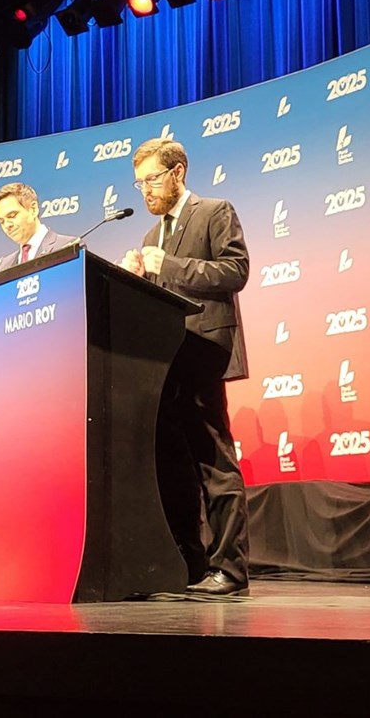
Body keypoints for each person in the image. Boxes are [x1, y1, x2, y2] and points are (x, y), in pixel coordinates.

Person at [121, 137, 251, 597]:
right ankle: (190, 564)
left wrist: (169, 265)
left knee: (213, 461)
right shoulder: (149, 236)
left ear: (177, 173)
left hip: (204, 352)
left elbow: (235, 271)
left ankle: (231, 571)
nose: (145, 192)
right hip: (164, 363)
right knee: (173, 466)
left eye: (152, 180)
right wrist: (134, 279)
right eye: (139, 184)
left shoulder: (215, 211)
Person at [0, 182, 79, 268]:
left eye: (12, 216)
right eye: (1, 221)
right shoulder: (4, 265)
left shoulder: (69, 246)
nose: (7, 225)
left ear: (33, 210)